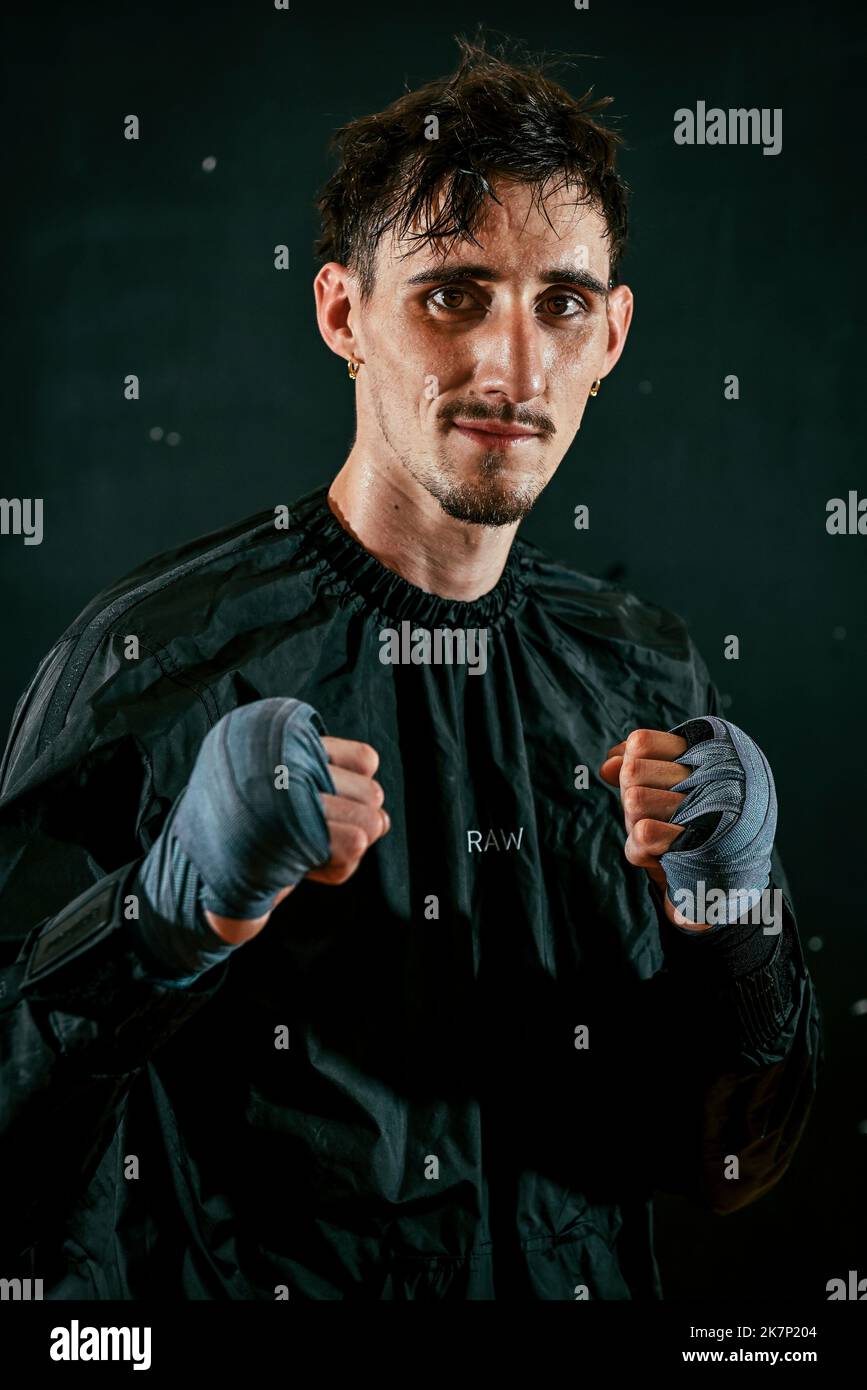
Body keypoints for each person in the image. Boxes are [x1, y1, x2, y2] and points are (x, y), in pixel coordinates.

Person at [0, 37, 821, 1301]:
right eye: (452, 293)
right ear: (342, 312)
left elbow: (717, 1165)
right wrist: (155, 921)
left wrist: (739, 931)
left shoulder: (647, 674)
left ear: (611, 336)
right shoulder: (149, 660)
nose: (511, 367)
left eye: (560, 302)